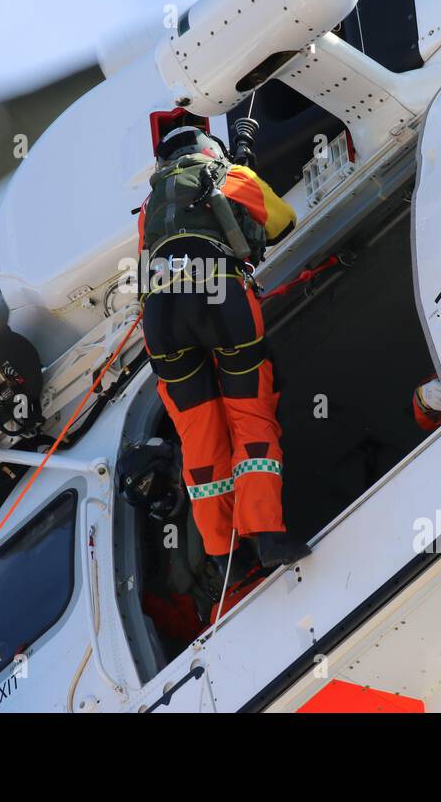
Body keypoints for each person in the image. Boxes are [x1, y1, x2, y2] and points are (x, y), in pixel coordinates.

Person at [137, 124, 310, 572]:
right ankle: (268, 535)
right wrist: (245, 184)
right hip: (220, 299)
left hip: (160, 319)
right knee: (250, 416)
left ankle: (224, 557)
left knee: (199, 439)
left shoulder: (150, 206)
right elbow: (283, 222)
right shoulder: (229, 173)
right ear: (209, 150)